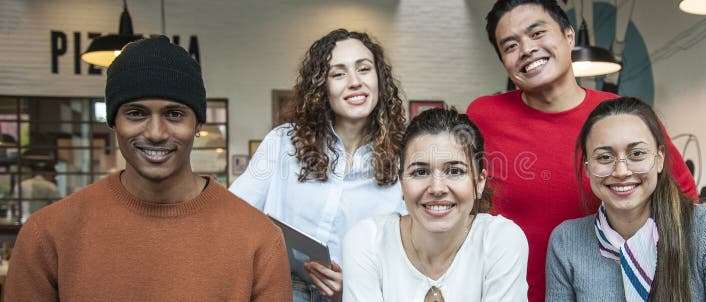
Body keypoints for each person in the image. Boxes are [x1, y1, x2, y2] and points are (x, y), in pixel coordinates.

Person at [3, 36, 292, 301]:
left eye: (174, 114)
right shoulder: (49, 234)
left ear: (198, 124)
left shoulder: (258, 238)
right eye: (136, 113)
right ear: (114, 121)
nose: (155, 132)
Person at [466, 1, 698, 300]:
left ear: (569, 36)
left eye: (537, 33)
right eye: (510, 46)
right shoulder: (484, 116)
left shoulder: (622, 117)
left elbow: (685, 203)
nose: (526, 49)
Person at [230, 28, 407, 301]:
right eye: (338, 73)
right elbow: (234, 214)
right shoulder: (283, 143)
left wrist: (353, 287)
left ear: (379, 79)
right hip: (279, 289)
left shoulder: (404, 160)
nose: (354, 82)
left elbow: (409, 254)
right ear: (321, 87)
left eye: (364, 69)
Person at [546, 97, 706, 301]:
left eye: (637, 153)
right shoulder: (566, 240)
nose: (621, 171)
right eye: (605, 157)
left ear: (659, 159)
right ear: (588, 168)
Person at [342, 108, 529, 302]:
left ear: (479, 182)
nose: (437, 188)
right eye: (420, 172)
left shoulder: (501, 240)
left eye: (455, 171)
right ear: (401, 182)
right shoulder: (367, 241)